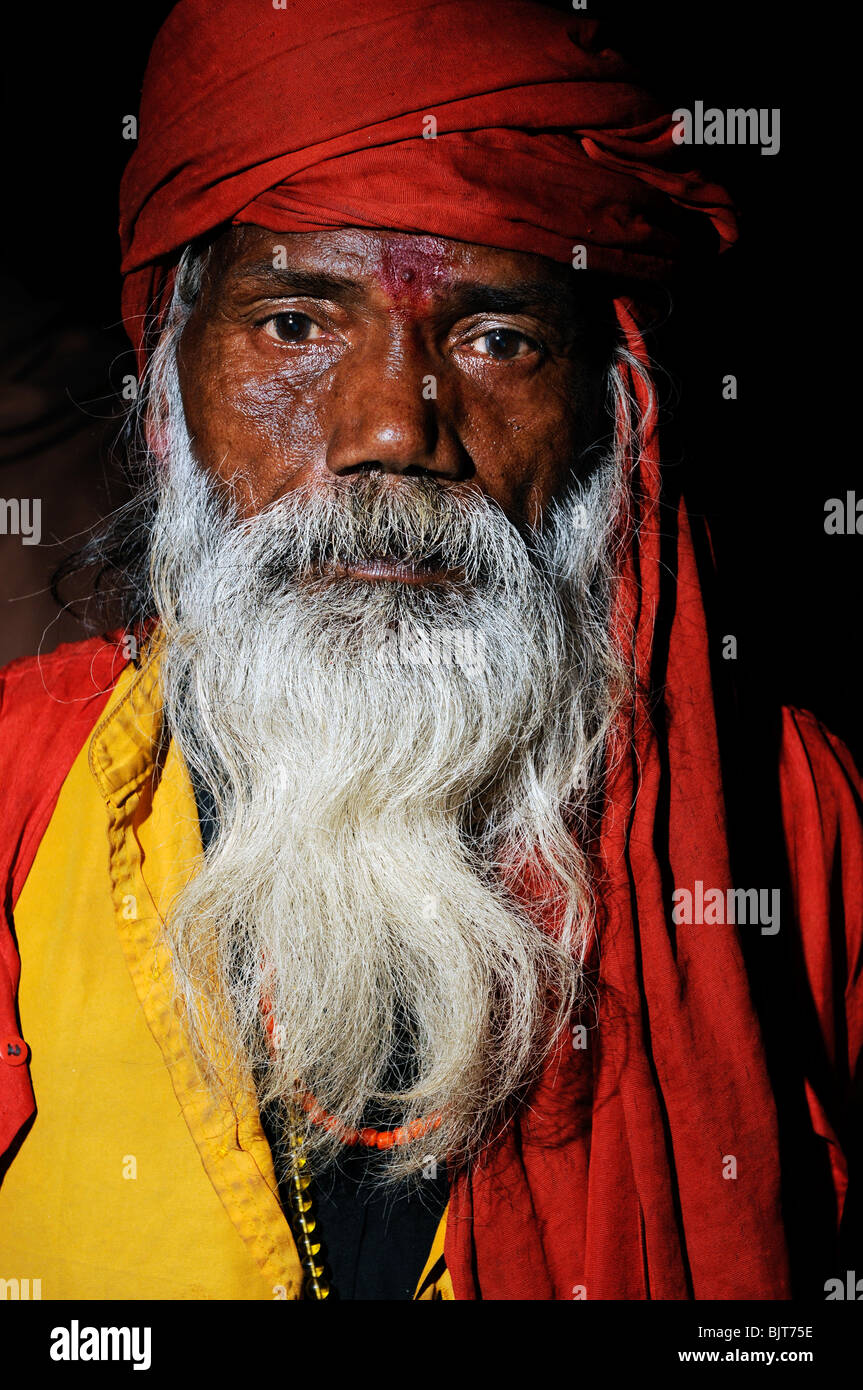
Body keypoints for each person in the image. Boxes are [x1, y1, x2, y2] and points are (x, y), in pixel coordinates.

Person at [0, 0, 859, 1301]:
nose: (396, 428)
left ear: (607, 413)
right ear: (170, 390)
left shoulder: (786, 812)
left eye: (497, 339)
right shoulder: (19, 780)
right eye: (295, 324)